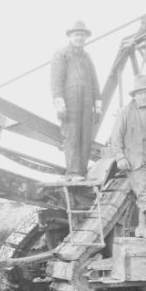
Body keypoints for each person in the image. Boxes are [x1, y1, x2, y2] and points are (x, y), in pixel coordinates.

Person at [109, 75, 146, 238]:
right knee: (144, 193)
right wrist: (120, 157)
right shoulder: (125, 112)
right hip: (134, 158)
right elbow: (116, 138)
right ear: (134, 95)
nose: (143, 96)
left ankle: (142, 227)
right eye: (140, 93)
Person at [50, 21, 101, 180]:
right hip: (70, 103)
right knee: (71, 135)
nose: (80, 38)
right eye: (77, 35)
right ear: (70, 36)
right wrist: (60, 104)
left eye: (82, 35)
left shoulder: (87, 57)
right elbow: (56, 81)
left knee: (85, 136)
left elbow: (95, 82)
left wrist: (97, 106)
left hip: (86, 104)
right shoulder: (61, 54)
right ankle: (72, 172)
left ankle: (82, 171)